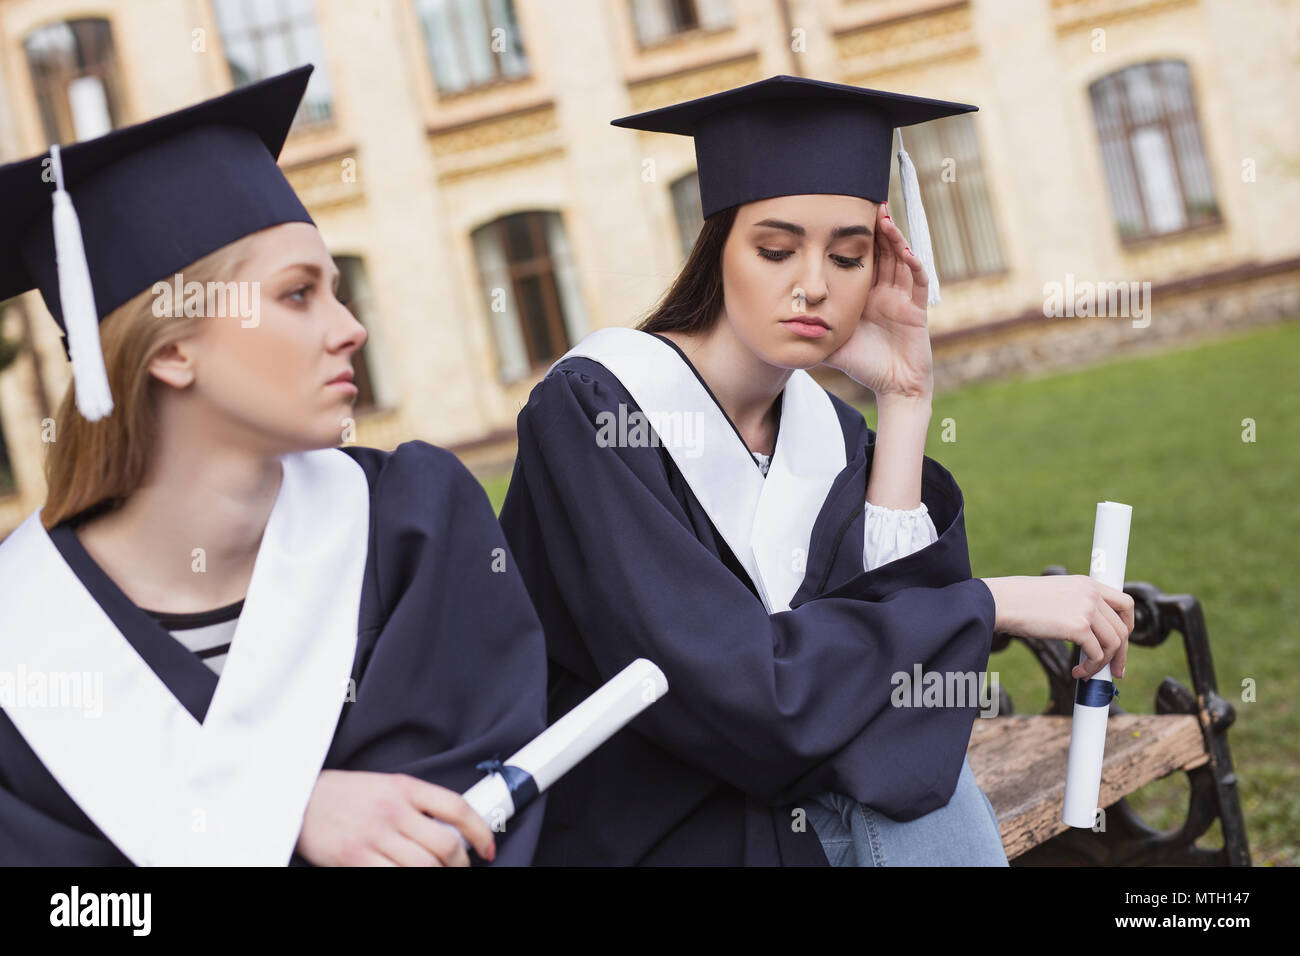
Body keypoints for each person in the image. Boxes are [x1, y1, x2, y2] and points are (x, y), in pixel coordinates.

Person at [499, 75, 1134, 866]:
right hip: (647, 814)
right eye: (775, 249)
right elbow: (734, 690)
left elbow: (896, 702)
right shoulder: (597, 412)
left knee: (906, 793)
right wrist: (991, 603)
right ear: (717, 250)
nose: (814, 284)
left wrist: (904, 398)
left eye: (848, 254)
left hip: (791, 795)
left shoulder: (827, 432)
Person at [0, 66, 548, 866]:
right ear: (174, 349)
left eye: (338, 288)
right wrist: (285, 813)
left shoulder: (412, 529)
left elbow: (469, 831)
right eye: (299, 295)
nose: (351, 327)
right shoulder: (23, 632)